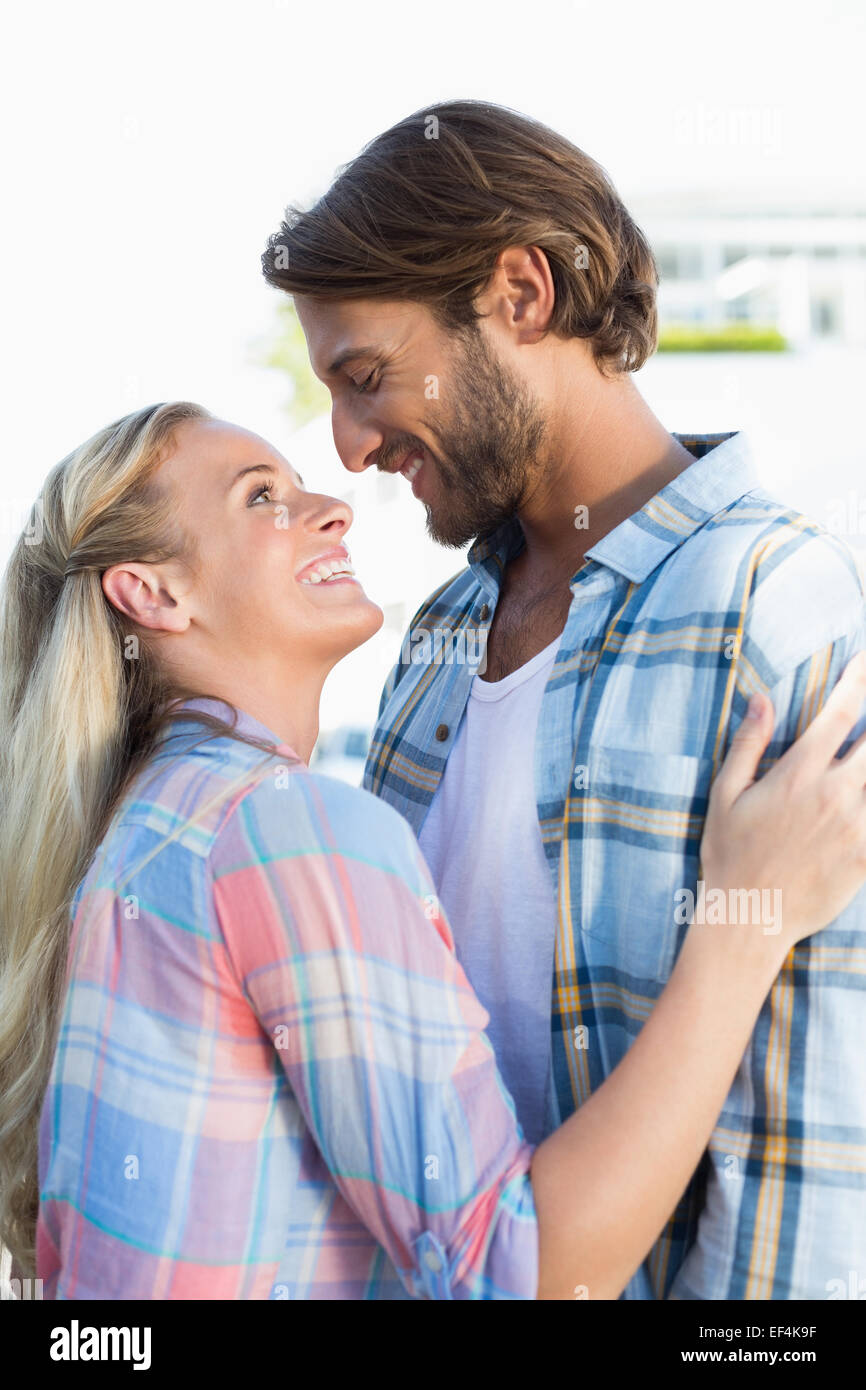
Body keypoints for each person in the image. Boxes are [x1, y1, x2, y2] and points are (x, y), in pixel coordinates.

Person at [0, 403, 864, 1301]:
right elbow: (514, 1276)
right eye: (262, 498)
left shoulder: (154, 812)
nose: (331, 504)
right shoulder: (282, 826)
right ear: (153, 595)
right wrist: (742, 926)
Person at [262, 98, 866, 1298]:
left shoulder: (776, 602)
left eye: (367, 376)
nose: (344, 446)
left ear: (521, 294)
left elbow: (811, 1154)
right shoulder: (435, 639)